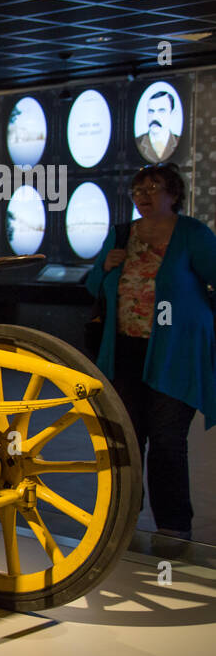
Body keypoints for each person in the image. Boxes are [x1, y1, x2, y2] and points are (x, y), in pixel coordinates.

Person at [86, 164, 216, 543]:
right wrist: (105, 267)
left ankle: (174, 526)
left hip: (175, 354)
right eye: (138, 189)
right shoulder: (124, 234)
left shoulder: (192, 234)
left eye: (153, 187)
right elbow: (94, 287)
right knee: (126, 438)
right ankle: (123, 517)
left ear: (173, 194)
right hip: (125, 352)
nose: (144, 195)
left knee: (167, 439)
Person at [135, 89, 179, 163]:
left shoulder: (179, 142)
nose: (154, 117)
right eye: (151, 111)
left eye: (161, 111)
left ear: (172, 113)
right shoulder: (138, 143)